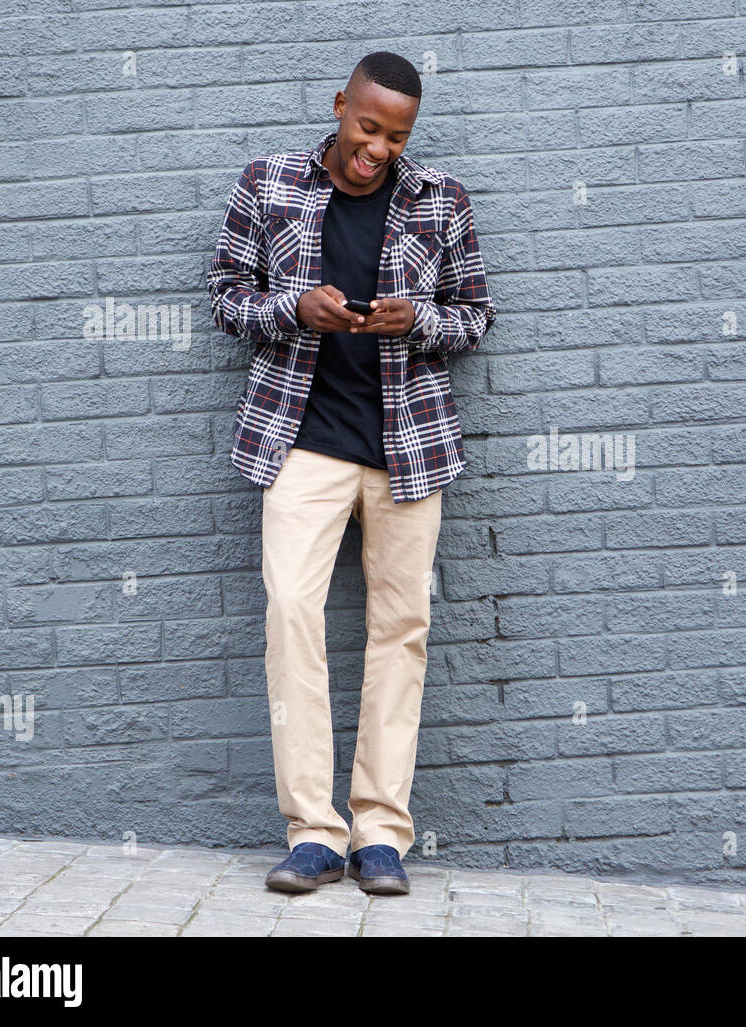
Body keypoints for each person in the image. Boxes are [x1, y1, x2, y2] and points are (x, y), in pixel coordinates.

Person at [206, 51, 496, 896]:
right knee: (292, 613)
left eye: (396, 136)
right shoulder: (267, 183)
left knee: (400, 631)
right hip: (302, 441)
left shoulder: (442, 198)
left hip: (411, 446)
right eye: (368, 127)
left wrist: (420, 321)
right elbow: (226, 296)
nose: (378, 148)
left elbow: (475, 315)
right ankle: (312, 833)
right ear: (340, 106)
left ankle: (380, 834)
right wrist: (291, 308)